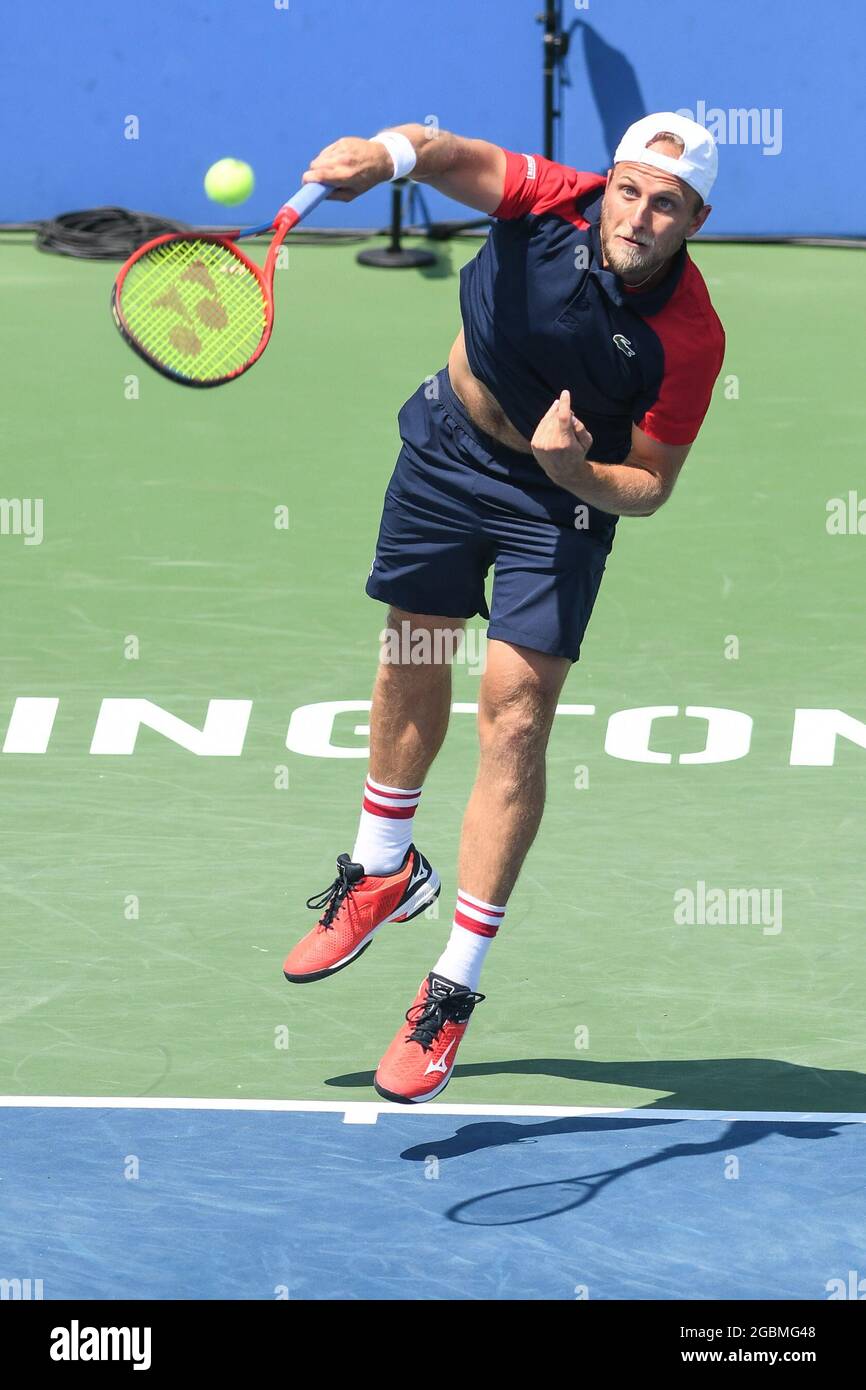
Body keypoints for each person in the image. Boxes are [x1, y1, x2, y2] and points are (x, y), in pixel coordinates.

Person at [282, 112, 725, 1104]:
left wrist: (576, 468)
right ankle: (381, 866)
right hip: (445, 449)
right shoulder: (545, 198)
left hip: (560, 500)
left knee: (514, 719)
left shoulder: (686, 337)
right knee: (409, 650)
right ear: (604, 184)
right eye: (628, 190)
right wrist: (379, 157)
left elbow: (648, 486)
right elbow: (441, 152)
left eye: (665, 204)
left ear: (694, 217)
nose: (638, 215)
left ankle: (450, 987)